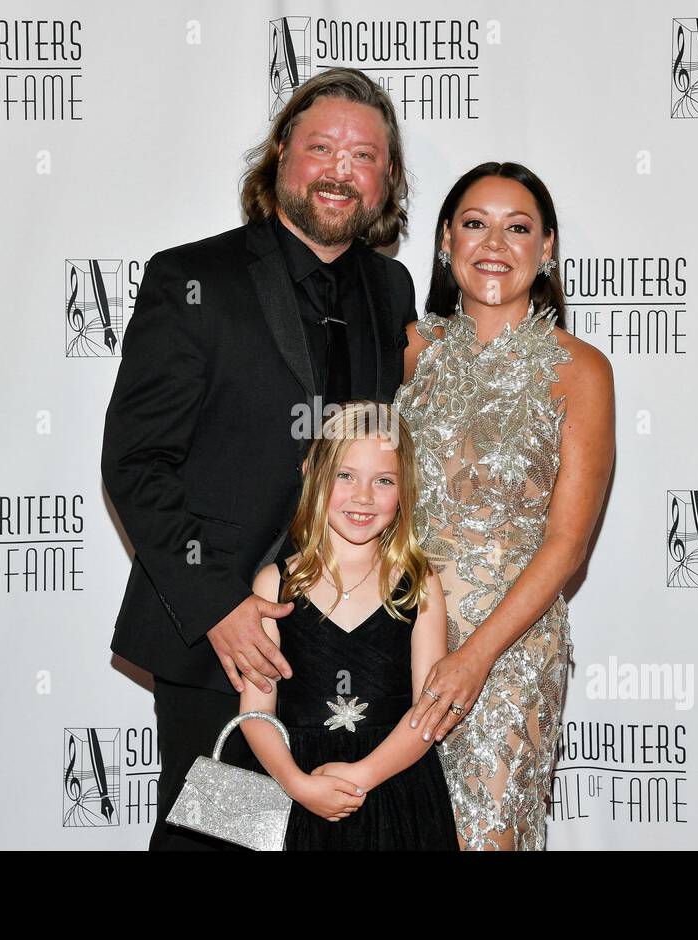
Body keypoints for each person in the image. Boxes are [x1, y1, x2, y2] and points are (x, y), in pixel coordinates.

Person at [100, 68, 417, 850]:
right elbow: (136, 461)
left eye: (365, 156)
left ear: (387, 179)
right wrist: (218, 607)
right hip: (227, 645)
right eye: (322, 148)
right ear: (280, 155)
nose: (342, 170)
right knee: (225, 844)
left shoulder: (391, 289)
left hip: (353, 648)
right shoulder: (193, 278)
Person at [395, 163, 616, 850]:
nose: (496, 242)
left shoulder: (580, 369)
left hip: (511, 650)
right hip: (396, 637)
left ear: (546, 247)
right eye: (475, 223)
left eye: (518, 227)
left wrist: (475, 658)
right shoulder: (405, 352)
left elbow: (567, 544)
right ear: (443, 240)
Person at [240, 401, 458, 850]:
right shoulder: (275, 584)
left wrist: (362, 776)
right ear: (315, 477)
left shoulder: (420, 584)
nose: (363, 496)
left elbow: (427, 713)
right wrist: (298, 784)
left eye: (383, 481)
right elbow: (255, 712)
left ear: (404, 492)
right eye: (345, 476)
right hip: (294, 792)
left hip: (397, 790)